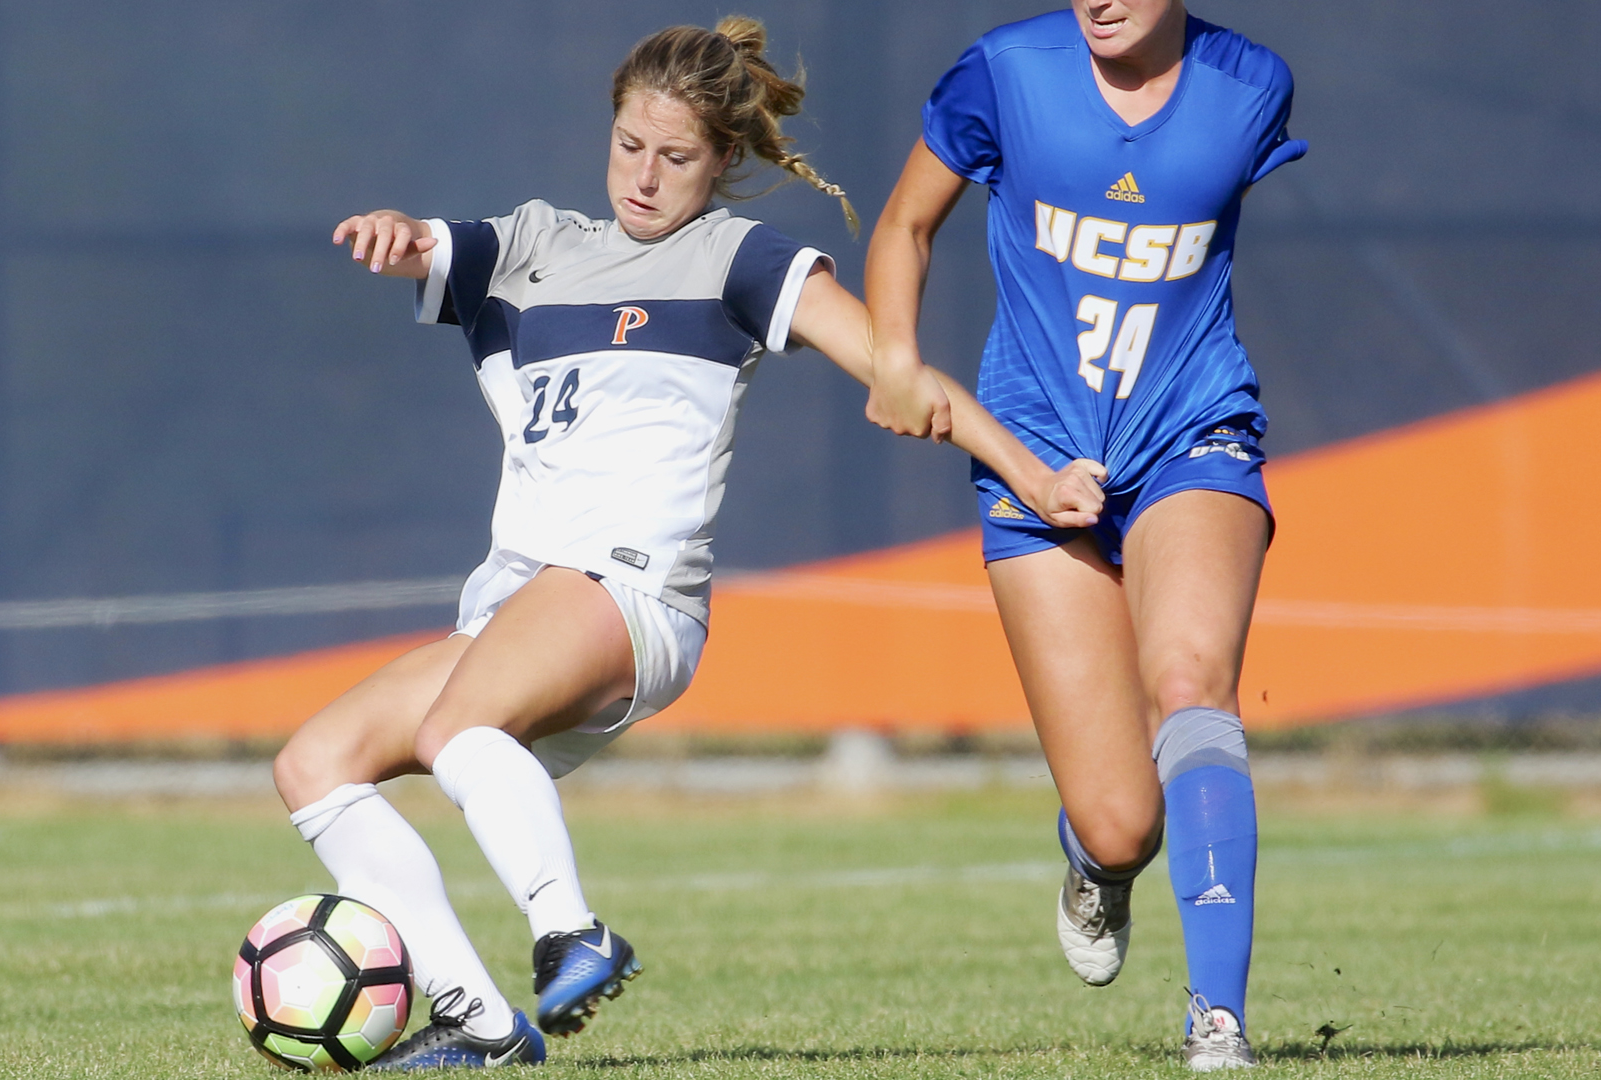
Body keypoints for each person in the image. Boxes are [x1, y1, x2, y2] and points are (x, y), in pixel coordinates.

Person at [274, 15, 1101, 1072]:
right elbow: (429, 244)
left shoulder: (740, 261)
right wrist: (395, 230)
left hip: (631, 593)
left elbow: (896, 366)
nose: (646, 177)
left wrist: (1034, 475)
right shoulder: (534, 245)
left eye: (677, 158)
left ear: (722, 161)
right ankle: (478, 1021)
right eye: (630, 146)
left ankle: (571, 932)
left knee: (459, 729)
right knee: (315, 764)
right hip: (520, 603)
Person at [863, 0, 1305, 1070]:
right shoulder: (1006, 72)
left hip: (1192, 434)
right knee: (1119, 823)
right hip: (1034, 454)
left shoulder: (1252, 86)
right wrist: (893, 356)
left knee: (1192, 679)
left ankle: (1218, 1023)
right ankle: (1092, 863)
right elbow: (903, 227)